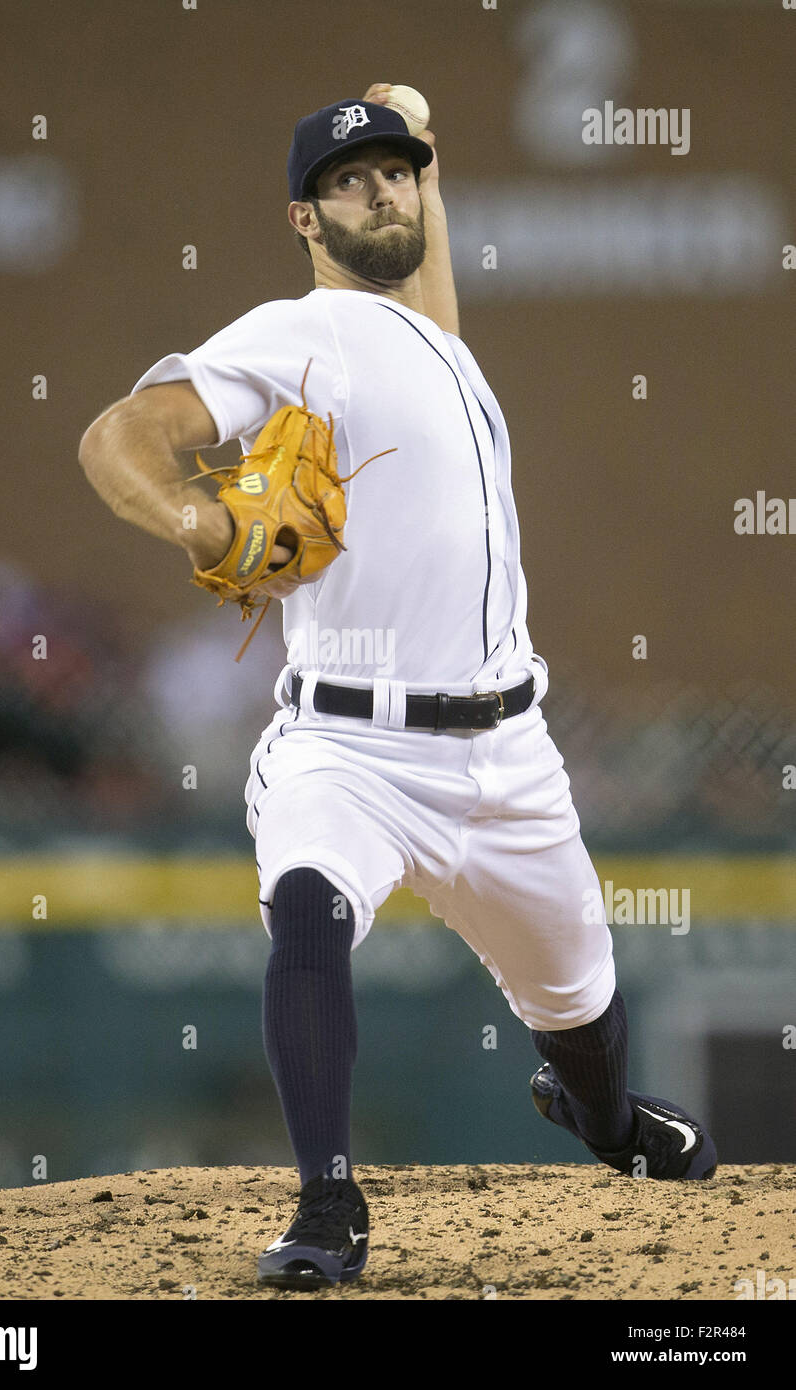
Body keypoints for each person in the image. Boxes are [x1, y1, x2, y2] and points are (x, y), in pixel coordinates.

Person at [78, 85, 717, 1293]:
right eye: (347, 180)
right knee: (308, 910)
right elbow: (116, 435)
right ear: (303, 219)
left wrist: (426, 150)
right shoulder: (297, 332)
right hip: (348, 749)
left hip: (509, 755)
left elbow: (424, 277)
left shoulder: (439, 347)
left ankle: (604, 1122)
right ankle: (327, 1202)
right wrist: (201, 520)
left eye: (394, 174)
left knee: (581, 1012)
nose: (378, 191)